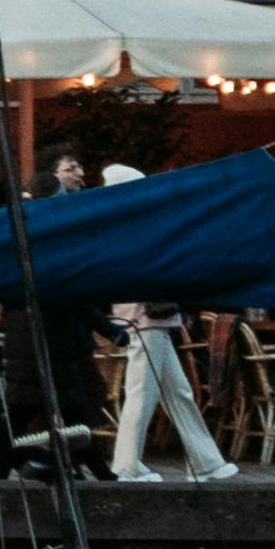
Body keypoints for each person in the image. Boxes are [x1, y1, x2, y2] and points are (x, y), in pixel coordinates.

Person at [89, 159, 235, 480]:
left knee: (176, 393)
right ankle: (127, 465)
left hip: (144, 317)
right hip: (145, 318)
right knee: (143, 393)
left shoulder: (121, 227)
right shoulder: (136, 228)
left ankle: (206, 461)